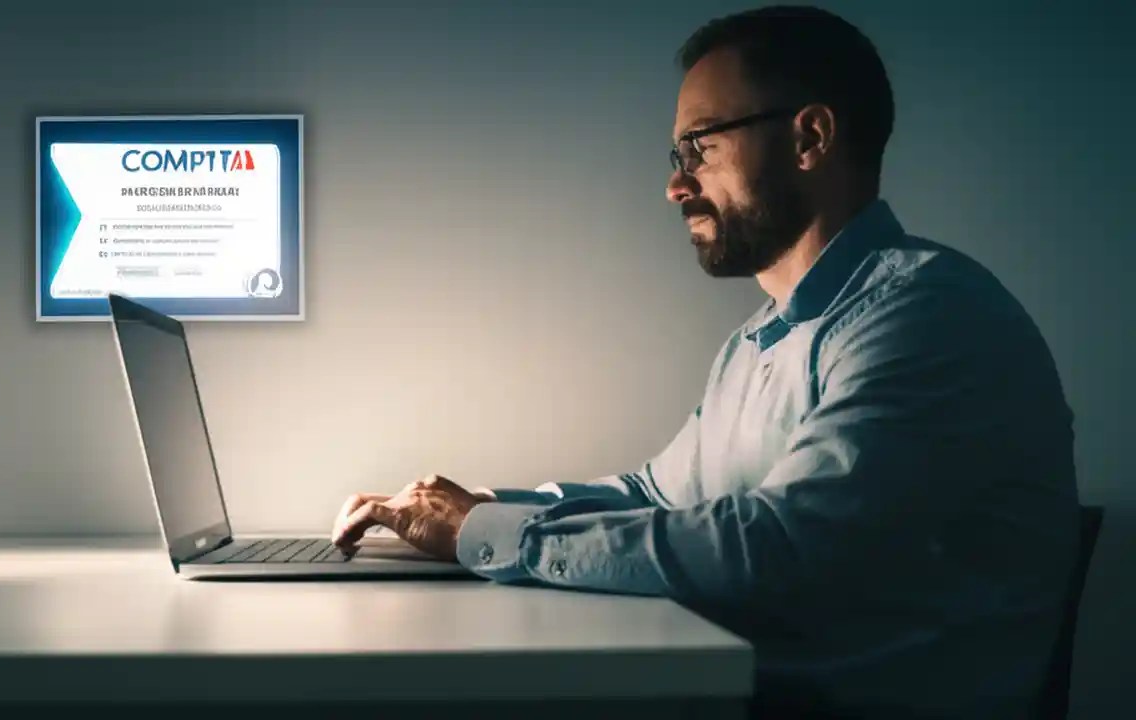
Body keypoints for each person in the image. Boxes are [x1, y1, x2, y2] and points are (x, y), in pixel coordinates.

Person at [331, 5, 1079, 718]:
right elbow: (656, 492)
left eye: (701, 147)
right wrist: (474, 507)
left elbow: (778, 547)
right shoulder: (759, 341)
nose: (674, 184)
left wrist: (495, 536)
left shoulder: (927, 315)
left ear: (810, 138)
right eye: (675, 155)